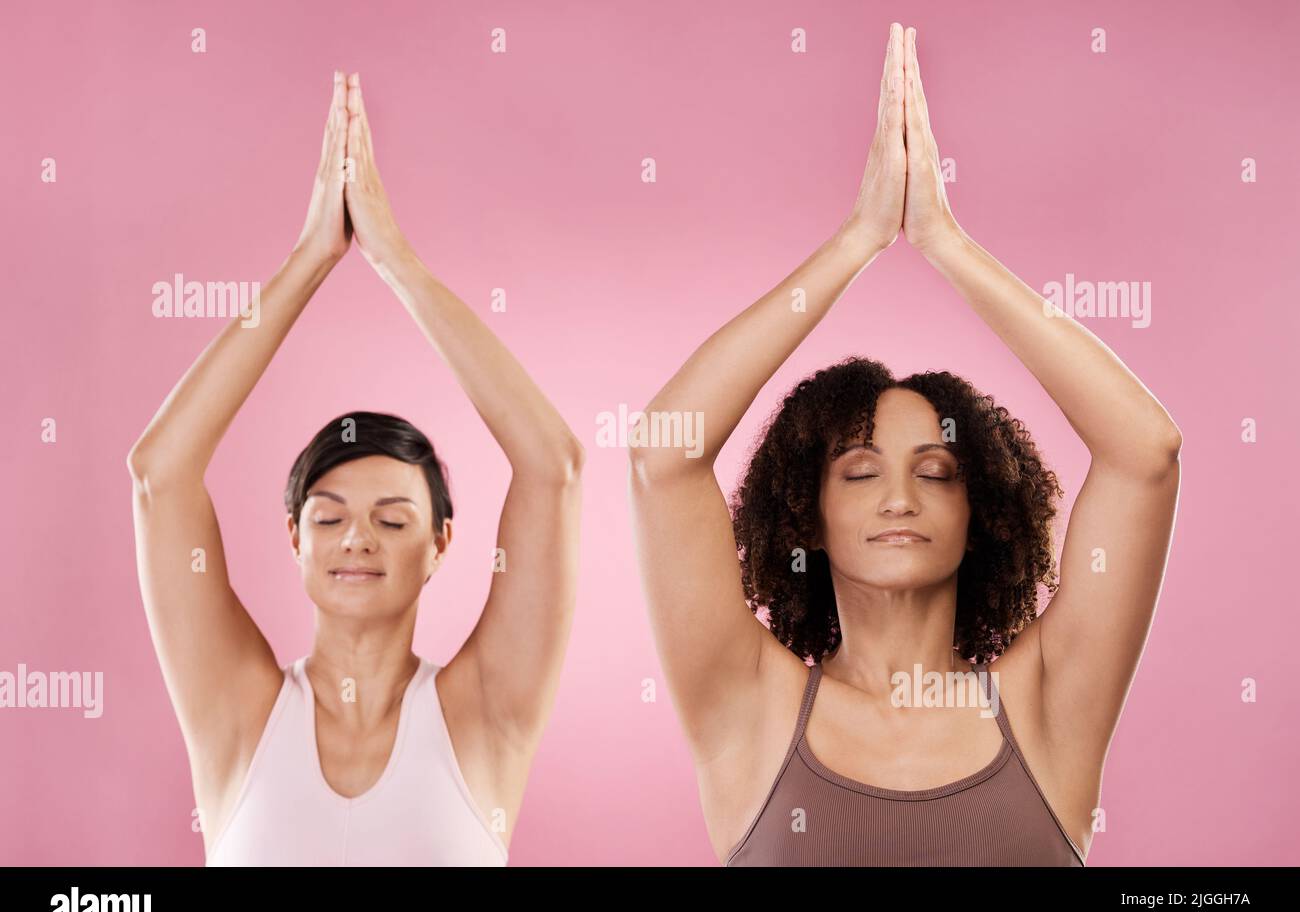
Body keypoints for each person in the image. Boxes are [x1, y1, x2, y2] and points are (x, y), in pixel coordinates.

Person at [628, 23, 1180, 866]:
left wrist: (943, 244)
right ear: (806, 518)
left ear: (979, 513)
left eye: (937, 471)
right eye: (859, 470)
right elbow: (663, 454)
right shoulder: (752, 705)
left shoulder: (1046, 703)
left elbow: (1147, 451)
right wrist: (858, 239)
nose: (900, 496)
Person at [128, 71, 583, 866]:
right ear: (295, 539)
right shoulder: (240, 714)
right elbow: (158, 473)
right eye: (329, 516)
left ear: (442, 541)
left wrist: (395, 259)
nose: (357, 539)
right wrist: (311, 256)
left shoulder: (482, 713)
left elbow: (554, 465)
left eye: (393, 519)